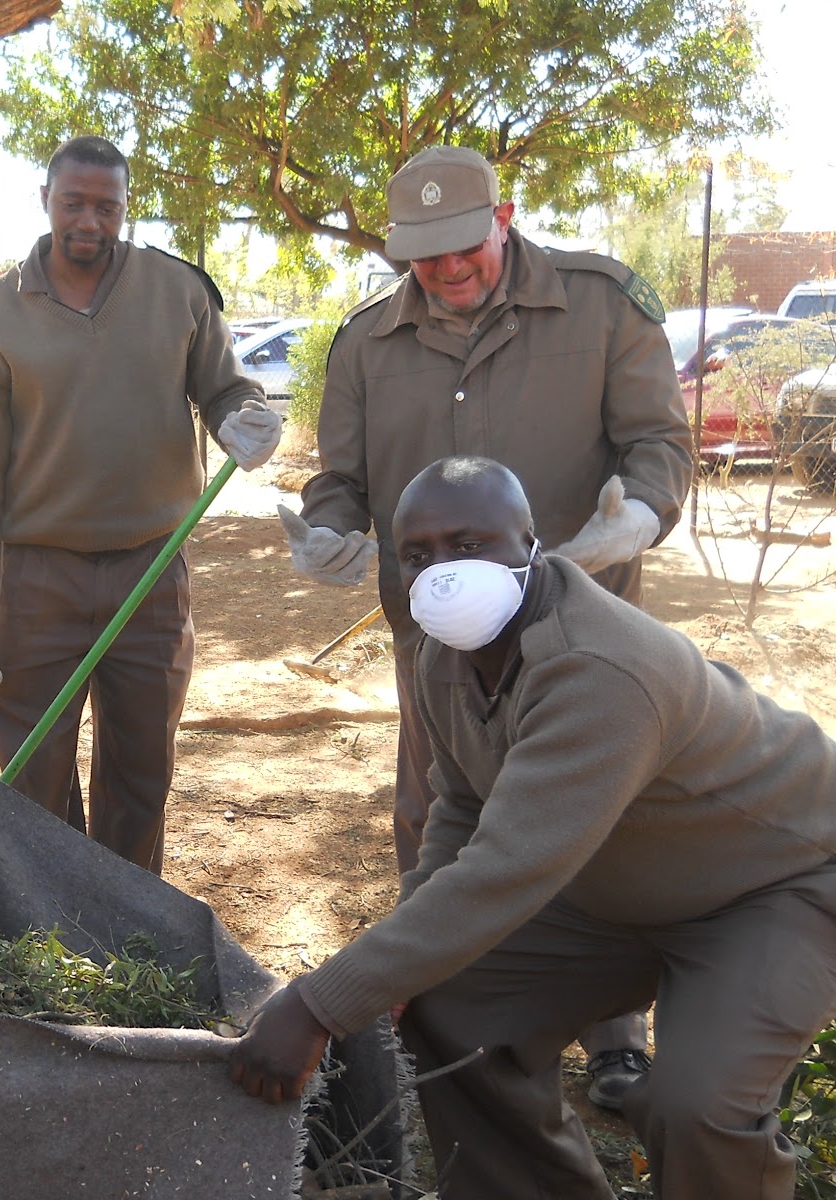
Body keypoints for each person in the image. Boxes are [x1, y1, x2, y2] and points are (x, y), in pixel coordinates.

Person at [231, 455, 836, 1199]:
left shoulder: (600, 668)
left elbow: (509, 866)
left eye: (468, 544)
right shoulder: (441, 656)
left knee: (701, 1108)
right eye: (416, 554)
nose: (441, 571)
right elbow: (460, 805)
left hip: (770, 883)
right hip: (615, 883)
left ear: (530, 542)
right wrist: (403, 959)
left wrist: (320, 1001)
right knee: (450, 1008)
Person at [284, 144, 693, 1109]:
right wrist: (335, 530)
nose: (447, 268)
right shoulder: (365, 343)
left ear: (503, 216)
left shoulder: (598, 306)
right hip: (433, 639)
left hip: (582, 626)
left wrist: (638, 512)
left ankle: (613, 1030)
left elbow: (658, 442)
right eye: (423, 254)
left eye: (464, 244)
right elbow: (339, 478)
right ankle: (442, 1003)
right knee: (436, 814)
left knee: (597, 818)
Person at [0, 135, 282, 875]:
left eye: (107, 206)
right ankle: (52, 938)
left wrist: (240, 418)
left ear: (125, 208)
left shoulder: (177, 291)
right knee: (33, 781)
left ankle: (133, 940)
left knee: (141, 772)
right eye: (73, 203)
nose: (89, 220)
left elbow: (223, 387)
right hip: (35, 582)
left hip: (151, 575)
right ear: (45, 202)